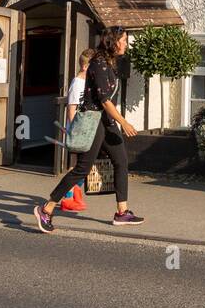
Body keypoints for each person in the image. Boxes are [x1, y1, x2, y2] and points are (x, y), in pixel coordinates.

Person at [34, 27, 144, 233]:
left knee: (121, 161)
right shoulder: (99, 64)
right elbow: (104, 100)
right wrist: (124, 122)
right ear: (113, 42)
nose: (126, 44)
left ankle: (122, 212)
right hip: (95, 123)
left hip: (105, 122)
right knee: (82, 169)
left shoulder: (109, 62)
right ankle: (46, 209)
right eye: (124, 40)